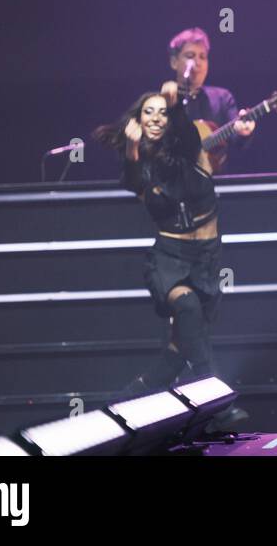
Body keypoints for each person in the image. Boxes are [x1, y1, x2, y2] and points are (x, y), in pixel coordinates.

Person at [93, 80, 247, 431]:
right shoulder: (139, 164)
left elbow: (187, 132)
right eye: (150, 112)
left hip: (206, 256)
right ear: (138, 118)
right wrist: (132, 150)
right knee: (187, 306)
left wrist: (176, 105)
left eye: (163, 112)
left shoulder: (188, 146)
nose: (156, 118)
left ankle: (118, 407)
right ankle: (217, 403)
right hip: (169, 258)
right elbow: (135, 180)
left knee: (179, 354)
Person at [168, 27, 255, 170]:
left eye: (202, 57)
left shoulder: (222, 98)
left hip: (212, 181)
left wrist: (244, 133)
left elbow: (237, 143)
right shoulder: (161, 100)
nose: (197, 62)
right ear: (174, 62)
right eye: (190, 56)